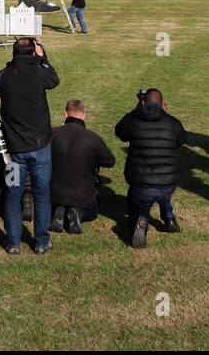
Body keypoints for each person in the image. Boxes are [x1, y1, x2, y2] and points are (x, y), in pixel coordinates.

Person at [0, 36, 60, 254]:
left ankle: (13, 242)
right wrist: (43, 58)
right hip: (39, 146)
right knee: (42, 193)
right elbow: (54, 80)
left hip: (14, 151)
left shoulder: (4, 76)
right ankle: (41, 240)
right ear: (33, 53)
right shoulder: (39, 72)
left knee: (13, 195)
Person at [115, 89, 187, 249]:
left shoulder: (134, 120)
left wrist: (135, 110)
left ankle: (140, 220)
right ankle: (169, 218)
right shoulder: (172, 123)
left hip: (141, 185)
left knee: (137, 202)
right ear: (162, 104)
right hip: (168, 184)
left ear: (142, 102)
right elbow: (181, 140)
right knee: (162, 191)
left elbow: (119, 131)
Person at [49, 99, 115, 234]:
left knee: (58, 201)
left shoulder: (52, 134)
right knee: (93, 211)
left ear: (65, 115)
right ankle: (78, 212)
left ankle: (59, 210)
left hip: (54, 193)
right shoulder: (93, 138)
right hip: (82, 195)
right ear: (84, 116)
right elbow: (110, 161)